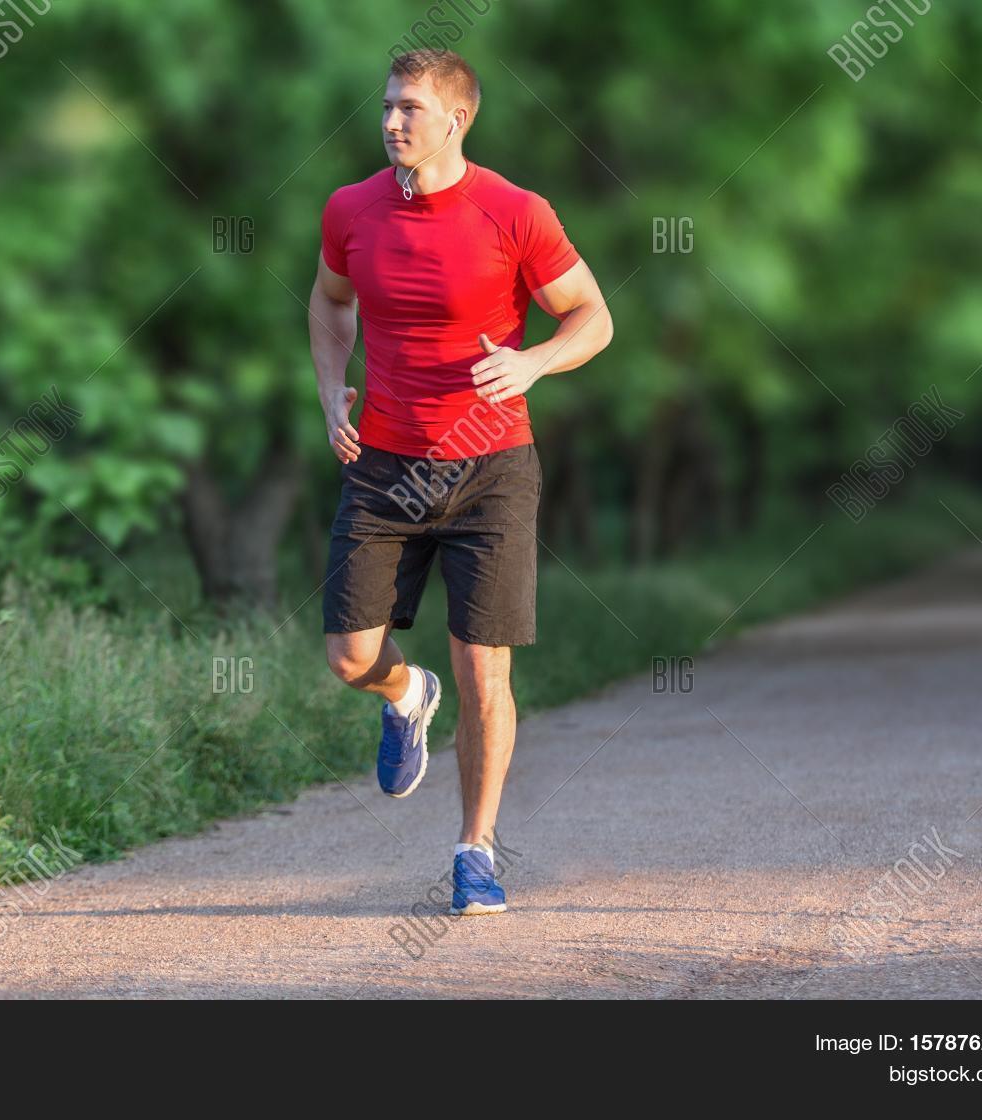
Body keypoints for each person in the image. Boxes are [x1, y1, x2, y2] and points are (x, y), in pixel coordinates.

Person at [308, 48, 614, 915]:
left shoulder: (515, 212)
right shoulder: (351, 209)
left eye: (410, 107)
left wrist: (535, 363)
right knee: (350, 656)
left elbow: (594, 315)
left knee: (486, 675)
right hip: (382, 464)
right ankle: (407, 694)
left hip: (491, 472)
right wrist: (333, 391)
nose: (393, 121)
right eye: (387, 106)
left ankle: (474, 851)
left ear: (457, 119)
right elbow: (331, 302)